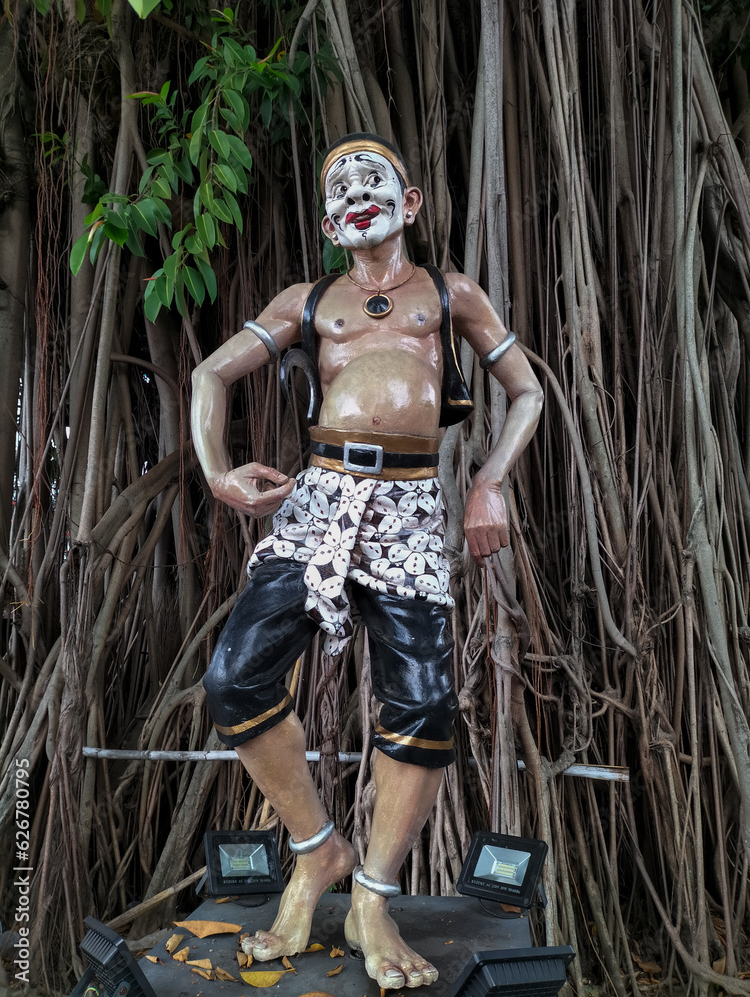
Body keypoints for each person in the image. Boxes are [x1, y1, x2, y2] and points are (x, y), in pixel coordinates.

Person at [190, 133, 543, 989]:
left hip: (413, 507)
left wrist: (490, 482)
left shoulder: (448, 294)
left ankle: (375, 898)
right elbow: (210, 374)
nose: (356, 193)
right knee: (236, 678)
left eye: (371, 180)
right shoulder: (310, 302)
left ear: (410, 202)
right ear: (326, 221)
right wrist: (217, 472)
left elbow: (526, 391)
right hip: (319, 498)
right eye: (338, 187)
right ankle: (317, 854)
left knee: (421, 703)